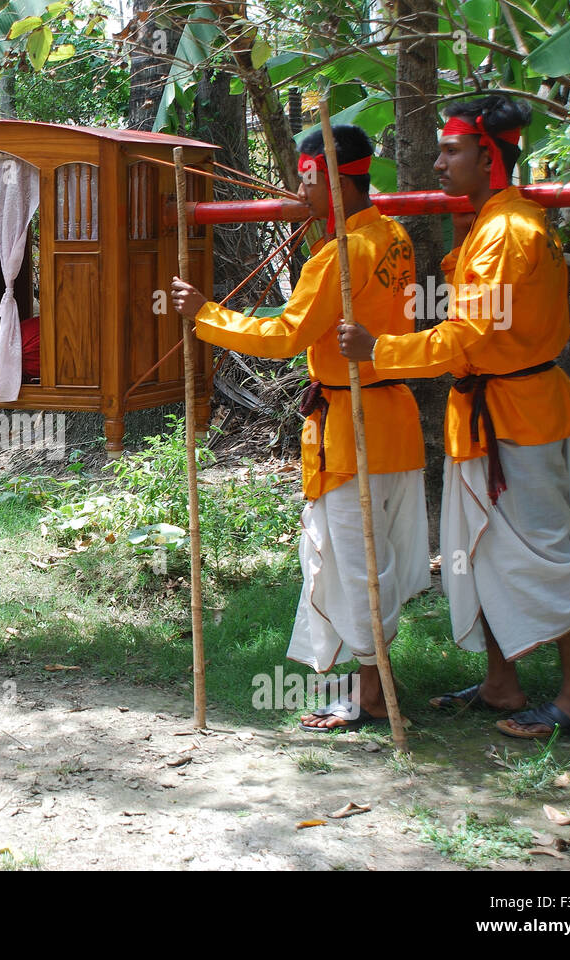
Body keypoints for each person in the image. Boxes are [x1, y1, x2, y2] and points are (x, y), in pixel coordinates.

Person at [338, 94, 570, 739]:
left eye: (450, 150)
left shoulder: (510, 232)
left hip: (523, 415)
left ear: (490, 155)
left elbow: (468, 336)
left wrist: (382, 351)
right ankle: (501, 683)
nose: (437, 161)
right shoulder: (491, 224)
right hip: (486, 412)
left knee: (548, 552)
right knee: (476, 552)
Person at [172, 124, 429, 731]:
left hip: (352, 430)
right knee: (371, 558)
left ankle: (369, 694)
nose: (300, 192)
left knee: (351, 564)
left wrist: (203, 314)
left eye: (308, 181)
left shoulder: (340, 255)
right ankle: (366, 686)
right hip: (390, 421)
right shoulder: (393, 237)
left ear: (337, 180)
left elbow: (286, 336)